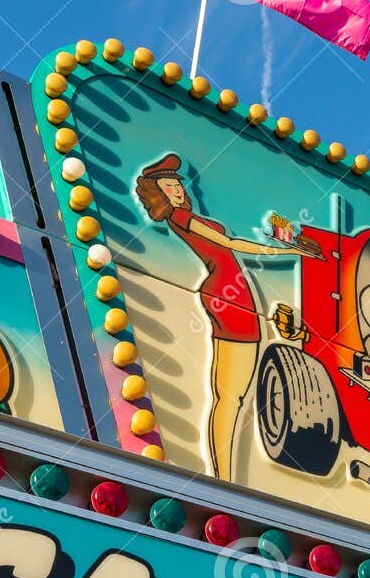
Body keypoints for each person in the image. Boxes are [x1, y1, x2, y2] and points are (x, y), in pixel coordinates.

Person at [133, 153, 319, 482]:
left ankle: (223, 476)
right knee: (232, 397)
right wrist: (289, 251)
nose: (176, 188)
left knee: (227, 394)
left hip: (228, 293)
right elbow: (231, 243)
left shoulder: (185, 215)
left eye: (177, 182)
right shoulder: (181, 217)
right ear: (158, 191)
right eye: (168, 184)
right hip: (228, 296)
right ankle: (225, 479)